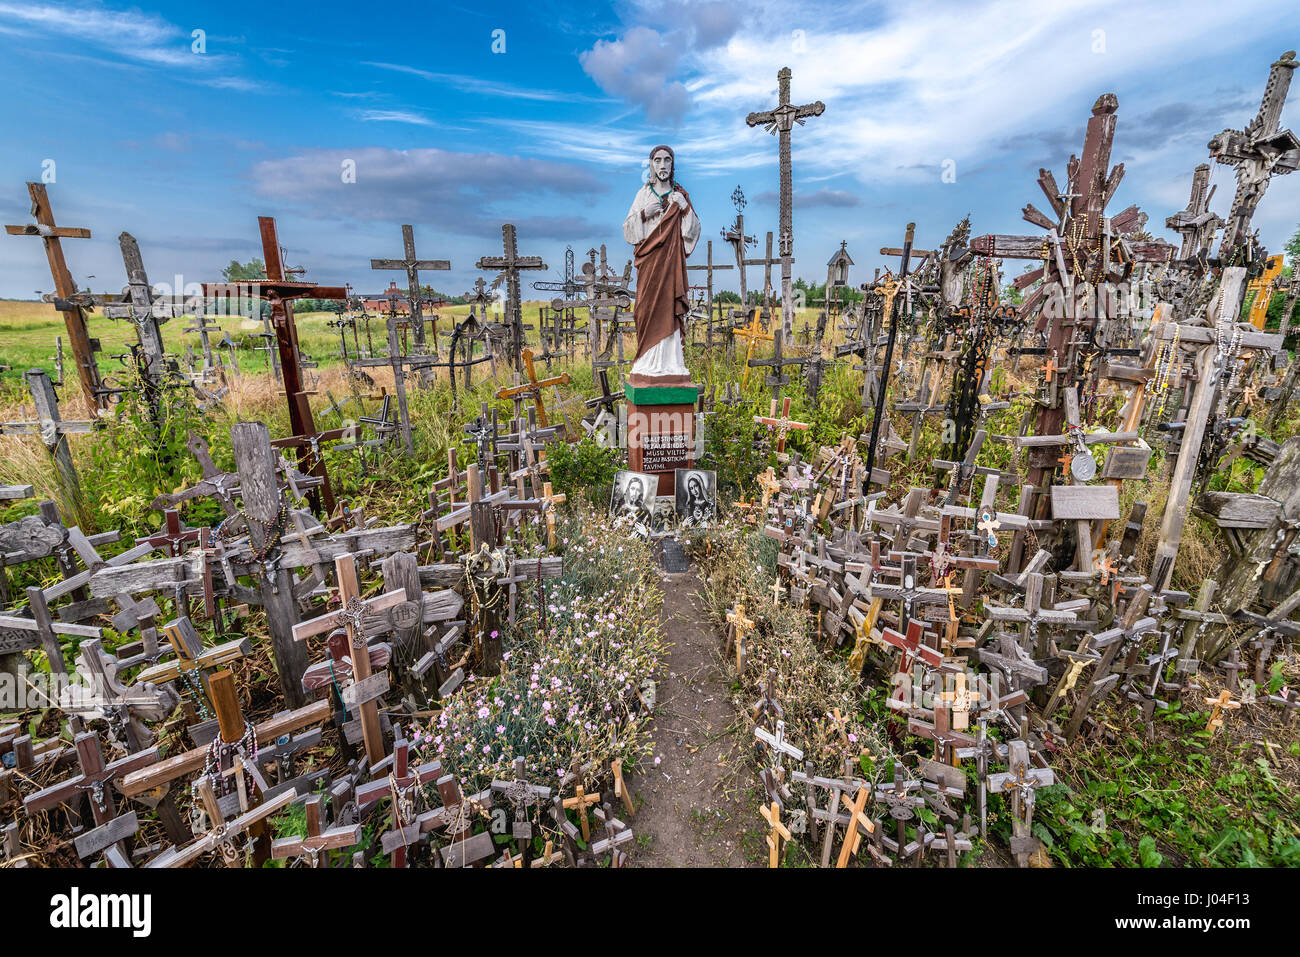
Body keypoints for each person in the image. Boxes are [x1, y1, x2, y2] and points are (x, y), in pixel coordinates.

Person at [622, 145, 701, 378]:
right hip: (649, 265)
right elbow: (628, 231)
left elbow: (692, 232)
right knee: (645, 309)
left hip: (671, 266)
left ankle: (671, 363)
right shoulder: (643, 195)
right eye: (658, 160)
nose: (663, 165)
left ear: (672, 165)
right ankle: (646, 361)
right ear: (651, 165)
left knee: (669, 307)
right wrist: (645, 213)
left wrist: (684, 208)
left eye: (667, 160)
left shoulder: (680, 196)